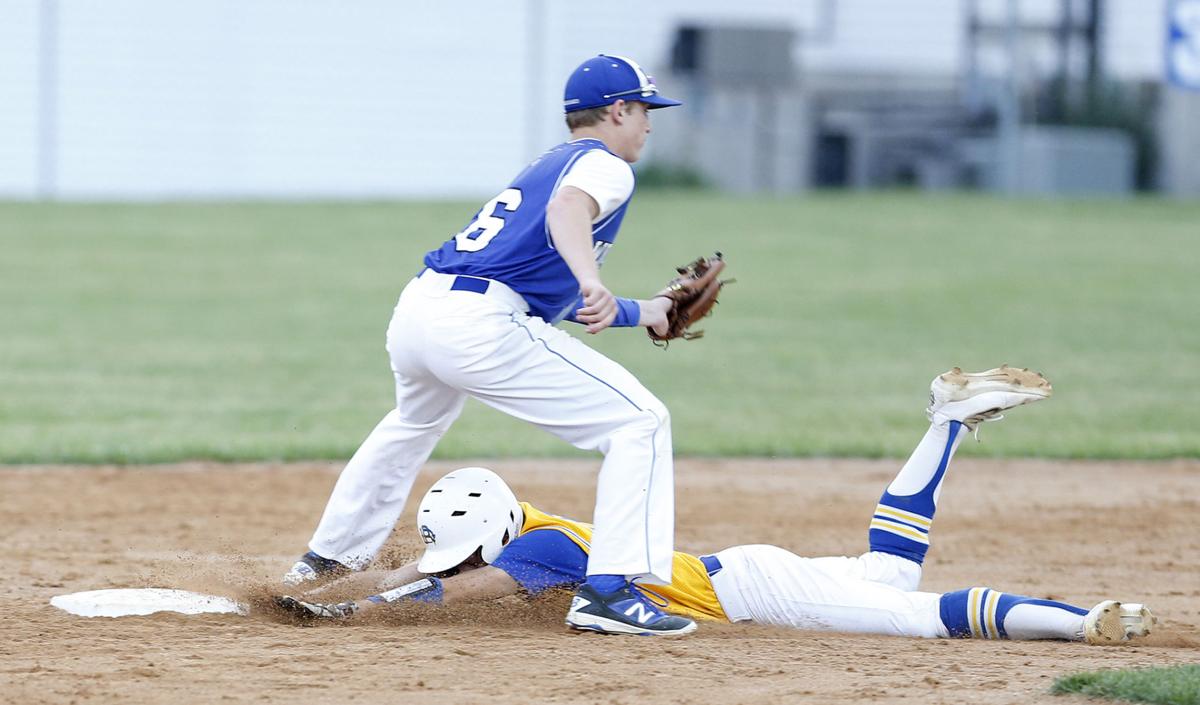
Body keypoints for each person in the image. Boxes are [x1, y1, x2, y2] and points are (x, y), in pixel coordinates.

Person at [277, 366, 1156, 645]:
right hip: (739, 566)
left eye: (466, 553)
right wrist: (331, 590)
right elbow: (428, 571)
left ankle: (1083, 626)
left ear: (496, 536)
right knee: (887, 568)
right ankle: (949, 422)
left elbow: (456, 592)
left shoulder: (539, 551)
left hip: (751, 592)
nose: (464, 565)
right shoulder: (523, 521)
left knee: (918, 616)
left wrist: (351, 613)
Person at [283, 55, 696, 636]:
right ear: (618, 110)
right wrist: (592, 279)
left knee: (411, 424)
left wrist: (642, 311)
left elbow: (548, 294)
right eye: (645, 110)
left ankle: (324, 563)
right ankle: (610, 592)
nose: (649, 124)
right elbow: (567, 213)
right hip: (478, 322)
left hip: (422, 309)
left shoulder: (550, 163)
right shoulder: (604, 167)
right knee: (640, 423)